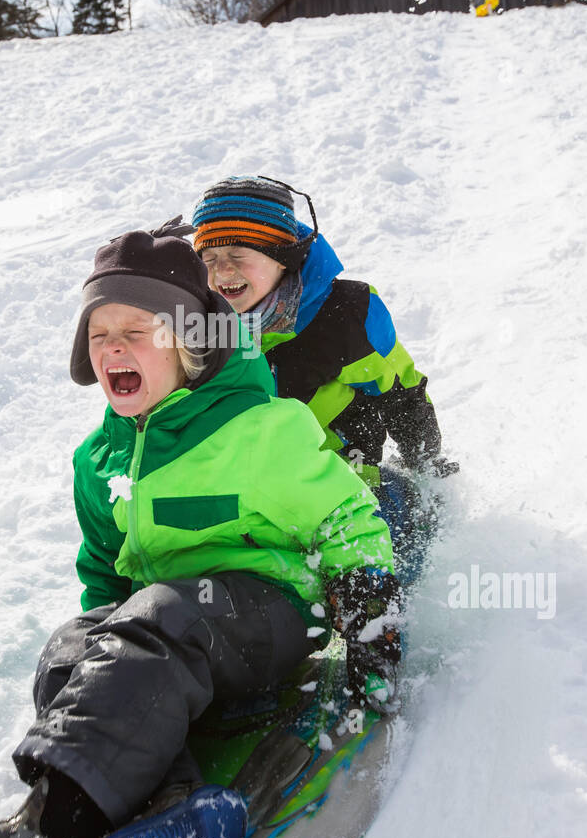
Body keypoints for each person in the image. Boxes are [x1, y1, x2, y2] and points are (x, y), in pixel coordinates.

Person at [0, 222, 402, 838]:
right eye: (99, 333)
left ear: (192, 342)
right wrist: (94, 655)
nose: (112, 348)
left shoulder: (256, 433)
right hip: (169, 635)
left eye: (135, 329)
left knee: (163, 612)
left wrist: (373, 632)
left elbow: (347, 518)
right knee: (71, 646)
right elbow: (103, 573)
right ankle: (175, 810)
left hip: (268, 615)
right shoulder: (97, 459)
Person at [191, 175, 458, 577]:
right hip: (252, 500)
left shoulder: (346, 316)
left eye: (238, 253)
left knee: (377, 566)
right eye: (208, 259)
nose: (221, 271)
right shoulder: (199, 327)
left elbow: (401, 392)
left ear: (283, 256)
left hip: (346, 488)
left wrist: (427, 465)